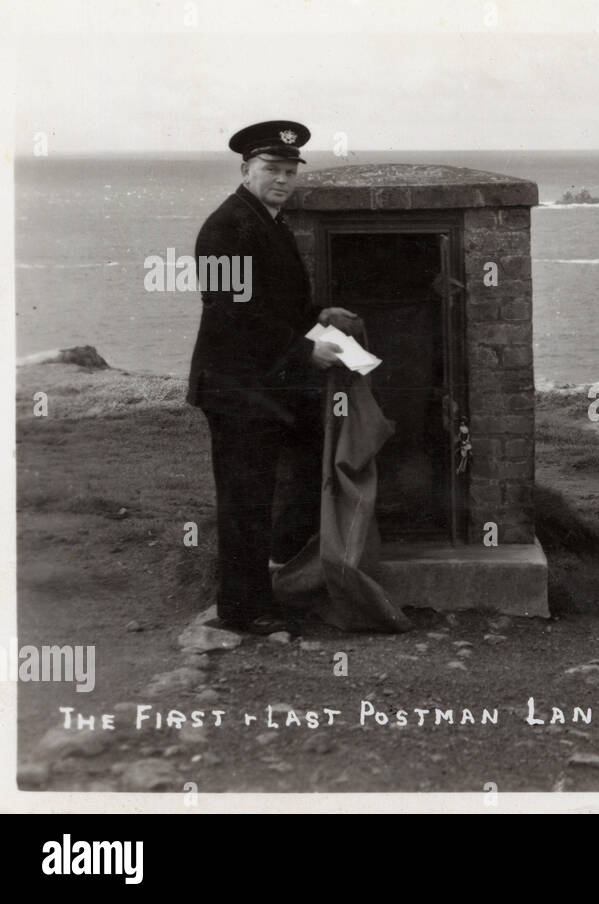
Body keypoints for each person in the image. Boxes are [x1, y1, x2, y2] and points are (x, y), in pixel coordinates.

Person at [186, 119, 358, 635]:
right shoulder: (225, 228)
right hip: (236, 389)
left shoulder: (270, 220)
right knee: (243, 499)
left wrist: (320, 314)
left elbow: (279, 303)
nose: (282, 179)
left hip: (270, 385)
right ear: (245, 170)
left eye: (289, 170)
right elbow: (230, 314)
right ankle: (240, 610)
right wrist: (307, 351)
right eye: (271, 169)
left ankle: (273, 586)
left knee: (285, 483)